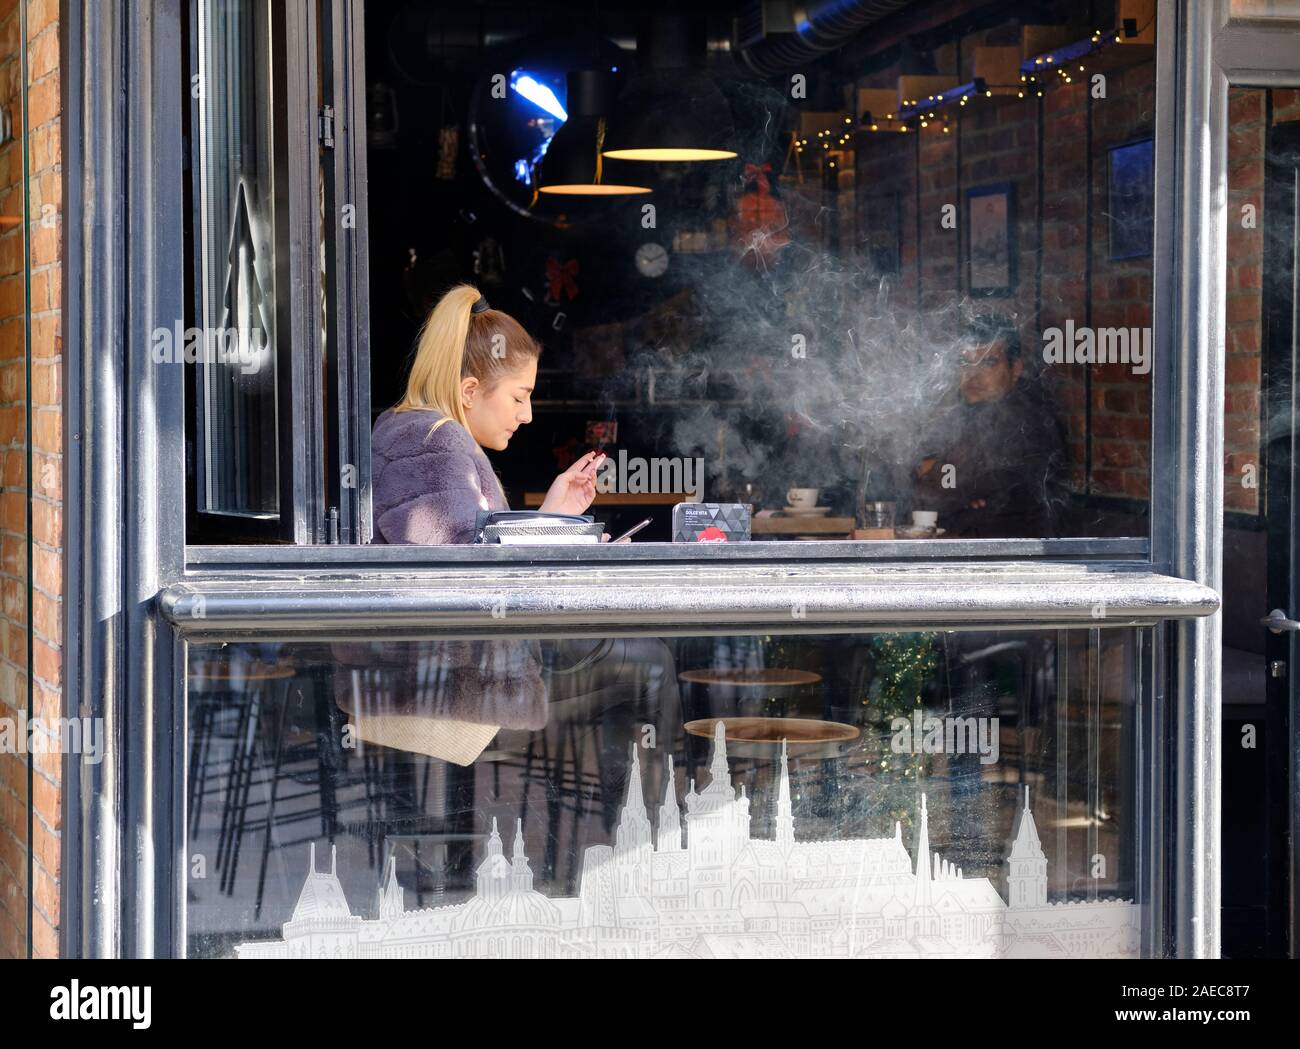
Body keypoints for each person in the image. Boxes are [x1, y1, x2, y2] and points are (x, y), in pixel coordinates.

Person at [371, 283, 605, 545]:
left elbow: (478, 557)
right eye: (518, 398)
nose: (527, 415)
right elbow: (467, 568)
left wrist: (554, 517)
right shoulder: (431, 443)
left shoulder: (422, 437)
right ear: (470, 391)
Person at [912, 314, 1069, 538]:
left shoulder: (1028, 420)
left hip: (1021, 556)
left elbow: (981, 487)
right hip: (971, 546)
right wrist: (948, 479)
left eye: (988, 362)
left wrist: (941, 476)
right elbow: (934, 479)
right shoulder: (964, 417)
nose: (973, 374)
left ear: (1015, 369)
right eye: (965, 362)